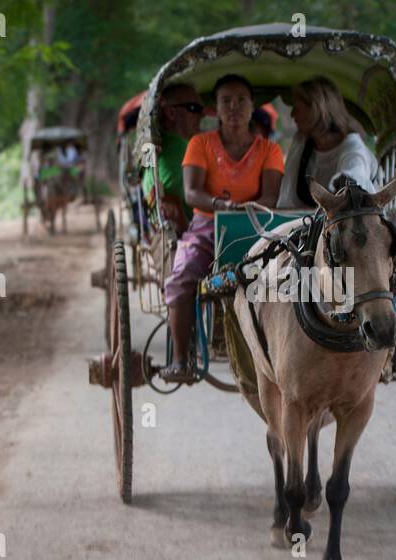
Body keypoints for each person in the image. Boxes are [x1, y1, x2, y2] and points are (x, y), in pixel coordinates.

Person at [162, 74, 283, 383]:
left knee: (292, 277)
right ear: (214, 108)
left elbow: (270, 196)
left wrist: (245, 210)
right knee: (180, 276)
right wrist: (223, 206)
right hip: (207, 227)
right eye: (226, 101)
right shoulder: (200, 144)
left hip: (257, 226)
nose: (234, 107)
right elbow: (192, 193)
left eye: (241, 100)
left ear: (252, 106)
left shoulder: (270, 150)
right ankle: (180, 359)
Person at [276, 76, 378, 209]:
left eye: (297, 107)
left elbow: (352, 185)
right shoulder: (301, 142)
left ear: (315, 109)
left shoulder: (353, 150)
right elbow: (287, 199)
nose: (292, 114)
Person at [142, 83, 202, 235]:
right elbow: (171, 202)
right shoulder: (182, 148)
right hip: (188, 238)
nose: (202, 115)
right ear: (171, 113)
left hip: (160, 236)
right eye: (194, 109)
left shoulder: (153, 149)